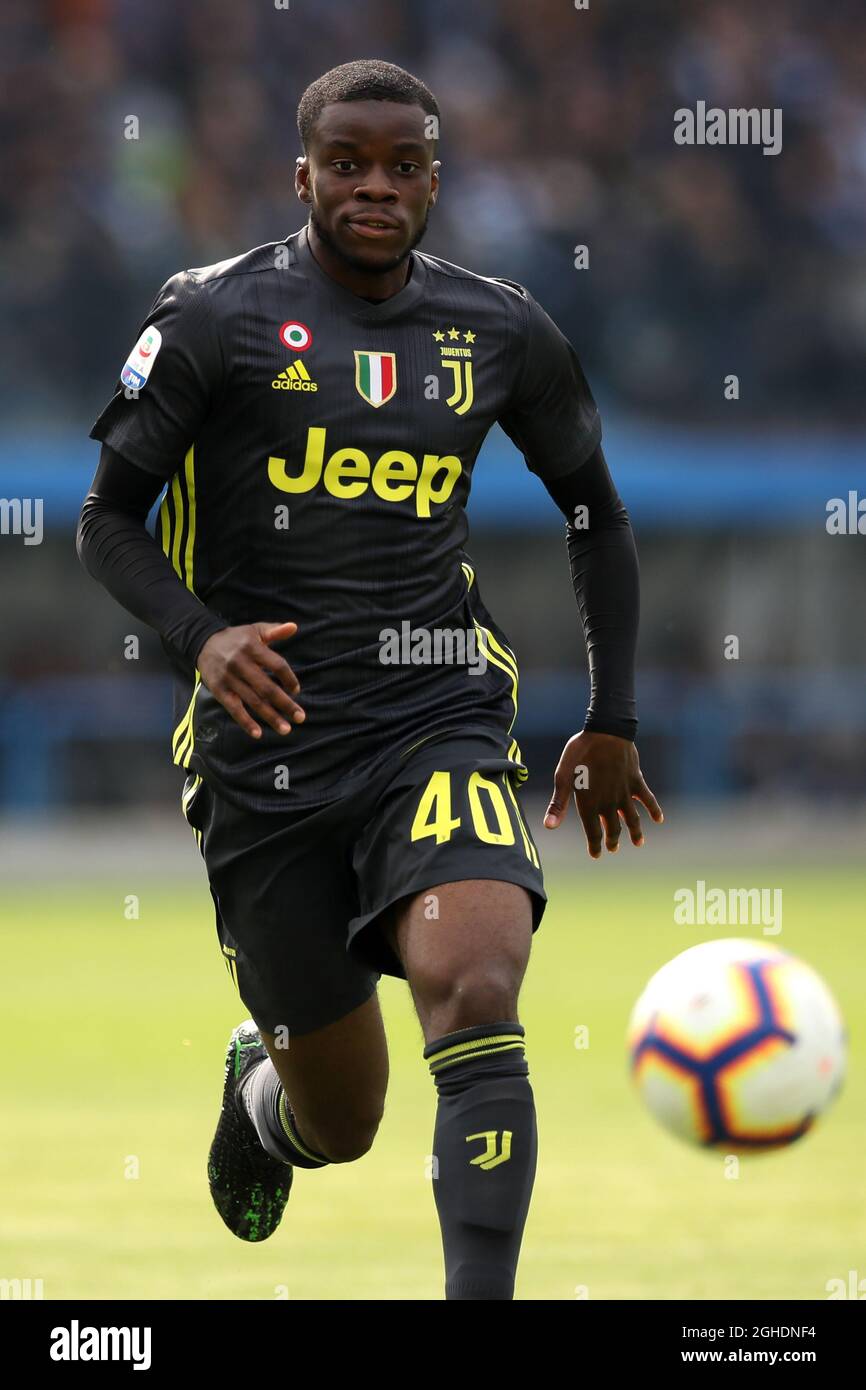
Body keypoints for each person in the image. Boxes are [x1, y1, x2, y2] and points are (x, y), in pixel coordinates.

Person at [77, 58, 663, 1301]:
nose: (375, 187)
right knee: (343, 1120)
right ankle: (264, 1092)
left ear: (437, 182)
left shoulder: (498, 326)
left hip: (434, 710)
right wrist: (202, 638)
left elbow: (595, 517)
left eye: (403, 166)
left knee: (478, 981)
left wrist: (611, 719)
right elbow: (105, 523)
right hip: (265, 748)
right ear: (303, 175)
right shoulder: (209, 318)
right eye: (347, 164)